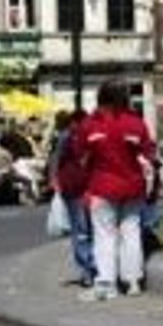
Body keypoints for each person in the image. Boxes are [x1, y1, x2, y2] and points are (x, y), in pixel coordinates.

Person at [78, 80, 155, 301]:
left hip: (102, 186)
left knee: (105, 235)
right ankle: (132, 282)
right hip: (133, 186)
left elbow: (82, 159)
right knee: (131, 231)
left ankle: (106, 284)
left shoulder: (90, 125)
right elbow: (148, 153)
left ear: (100, 97)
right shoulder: (136, 123)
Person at [47, 110, 96, 288]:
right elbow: (55, 159)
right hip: (74, 187)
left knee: (87, 228)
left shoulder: (88, 137)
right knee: (82, 229)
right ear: (74, 123)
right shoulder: (67, 137)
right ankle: (88, 269)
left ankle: (91, 267)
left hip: (87, 186)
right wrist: (54, 180)